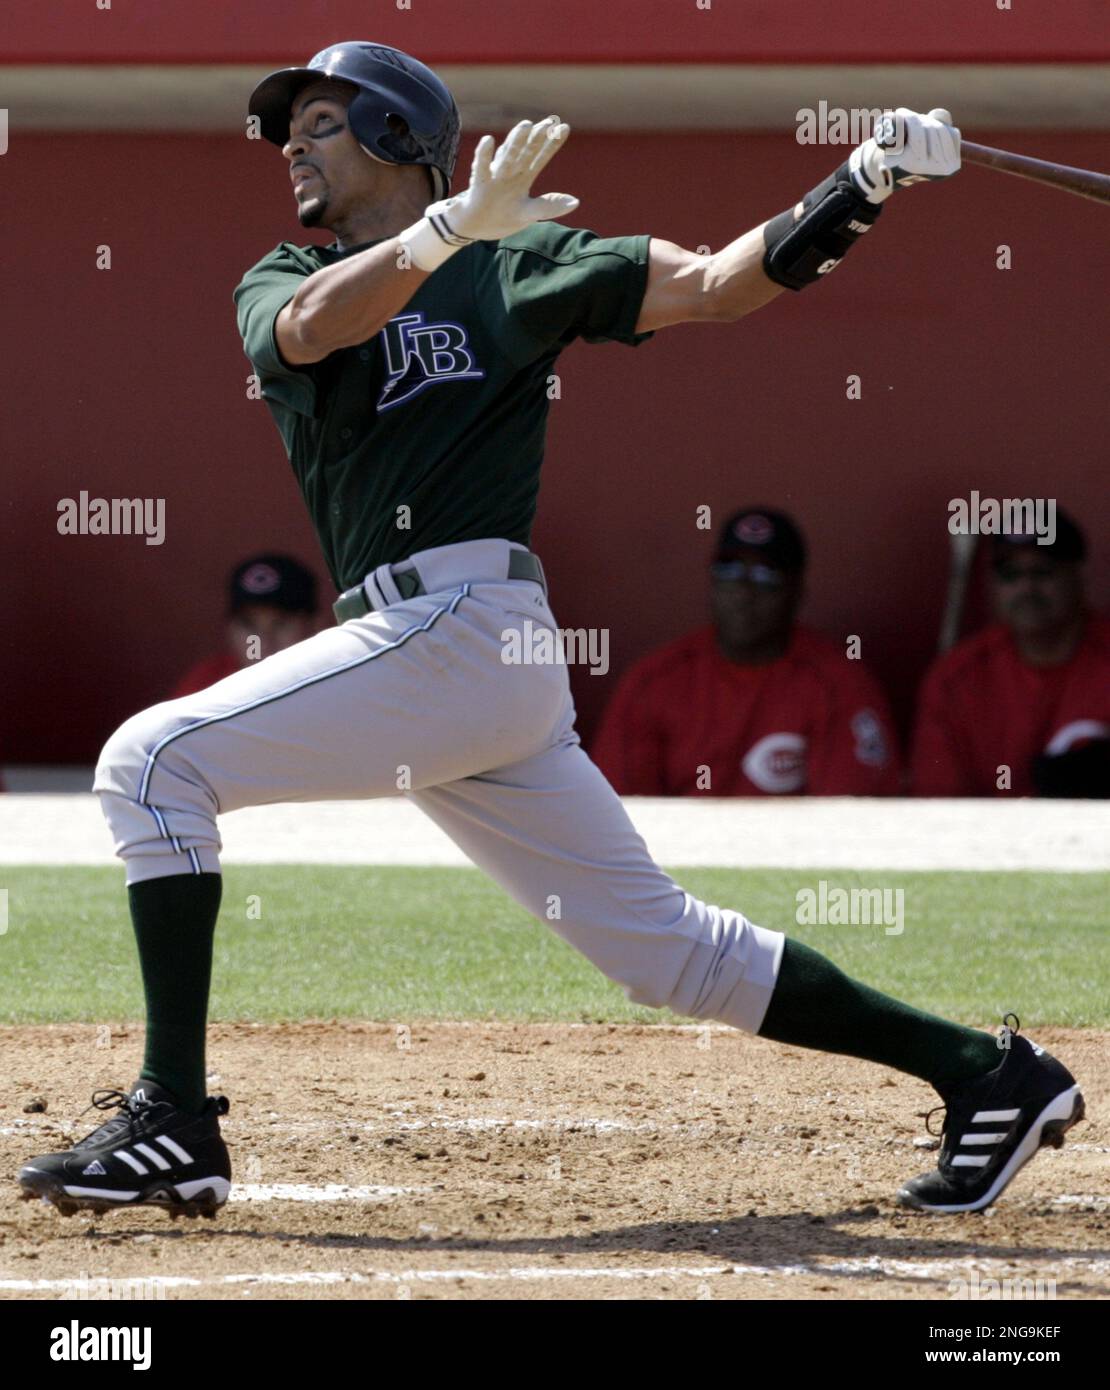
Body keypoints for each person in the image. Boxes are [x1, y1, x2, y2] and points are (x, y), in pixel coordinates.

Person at [19, 43, 1082, 1222]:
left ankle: (172, 1117)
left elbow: (721, 283)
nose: (290, 147)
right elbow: (316, 327)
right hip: (426, 650)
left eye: (318, 122)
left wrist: (865, 181)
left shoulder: (521, 262)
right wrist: (446, 233)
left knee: (152, 763)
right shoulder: (284, 273)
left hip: (472, 627)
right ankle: (989, 1076)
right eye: (289, 128)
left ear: (389, 132)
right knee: (664, 951)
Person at [592, 507, 900, 795]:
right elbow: (614, 818)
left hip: (795, 852)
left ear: (797, 591)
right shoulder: (655, 680)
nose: (744, 590)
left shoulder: (838, 685)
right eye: (729, 570)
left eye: (765, 576)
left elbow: (851, 829)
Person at [912, 511, 1110, 797]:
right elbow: (936, 806)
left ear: (1077, 575)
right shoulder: (955, 679)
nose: (1026, 588)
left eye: (1042, 571)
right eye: (1010, 575)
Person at [171, 554, 320, 698]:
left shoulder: (333, 675)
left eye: (280, 624)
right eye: (249, 626)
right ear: (230, 629)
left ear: (315, 625)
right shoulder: (207, 685)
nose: (263, 642)